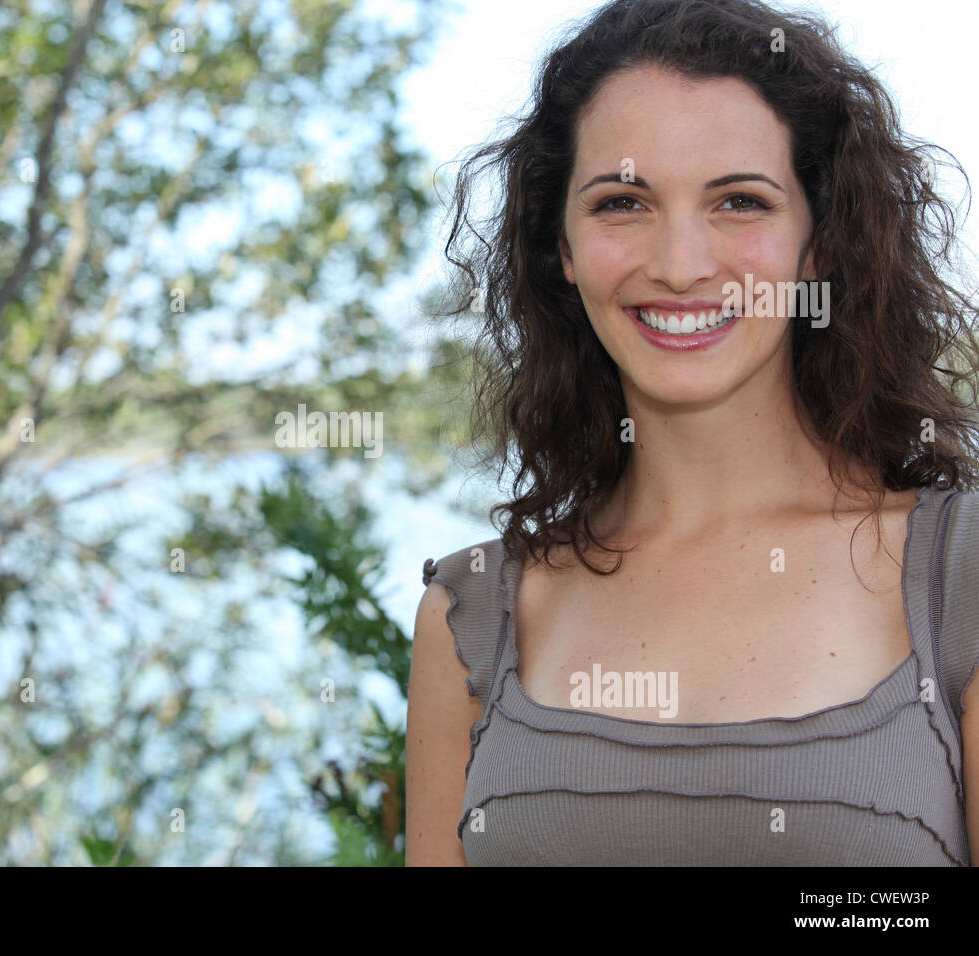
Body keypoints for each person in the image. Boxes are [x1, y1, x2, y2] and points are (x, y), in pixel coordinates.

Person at [405, 0, 979, 866]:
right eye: (623, 201)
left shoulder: (959, 577)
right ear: (560, 247)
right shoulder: (473, 617)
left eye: (740, 202)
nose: (679, 265)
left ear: (818, 246)